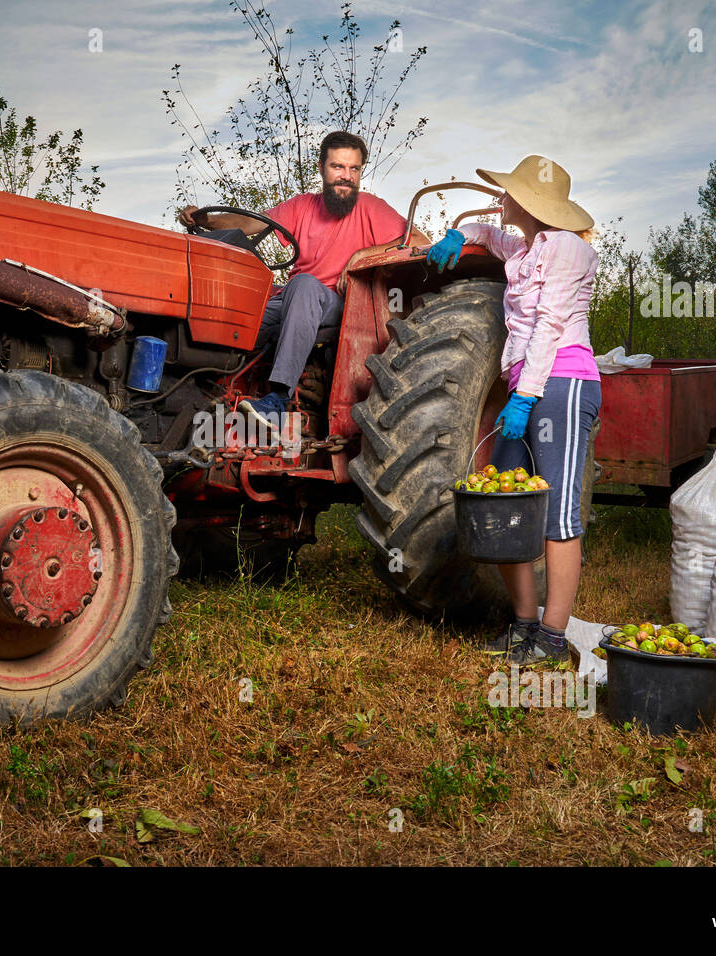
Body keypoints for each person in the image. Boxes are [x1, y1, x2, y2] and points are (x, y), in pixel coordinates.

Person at [426, 155, 601, 666]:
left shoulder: (567, 249)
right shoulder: (525, 245)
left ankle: (549, 636)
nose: (500, 199)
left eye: (507, 193)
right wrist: (461, 235)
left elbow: (549, 326)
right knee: (503, 502)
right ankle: (523, 622)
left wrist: (524, 398)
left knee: (559, 515)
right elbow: (485, 229)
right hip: (525, 383)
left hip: (563, 384)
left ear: (528, 201)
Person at [178, 130, 427, 431]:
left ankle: (277, 401)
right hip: (292, 299)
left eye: (354, 169)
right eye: (338, 167)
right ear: (322, 168)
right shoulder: (302, 206)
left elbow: (418, 240)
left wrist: (363, 255)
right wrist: (205, 220)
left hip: (340, 304)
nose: (345, 176)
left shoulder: (371, 208)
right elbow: (250, 223)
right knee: (234, 311)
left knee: (305, 284)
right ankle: (203, 394)